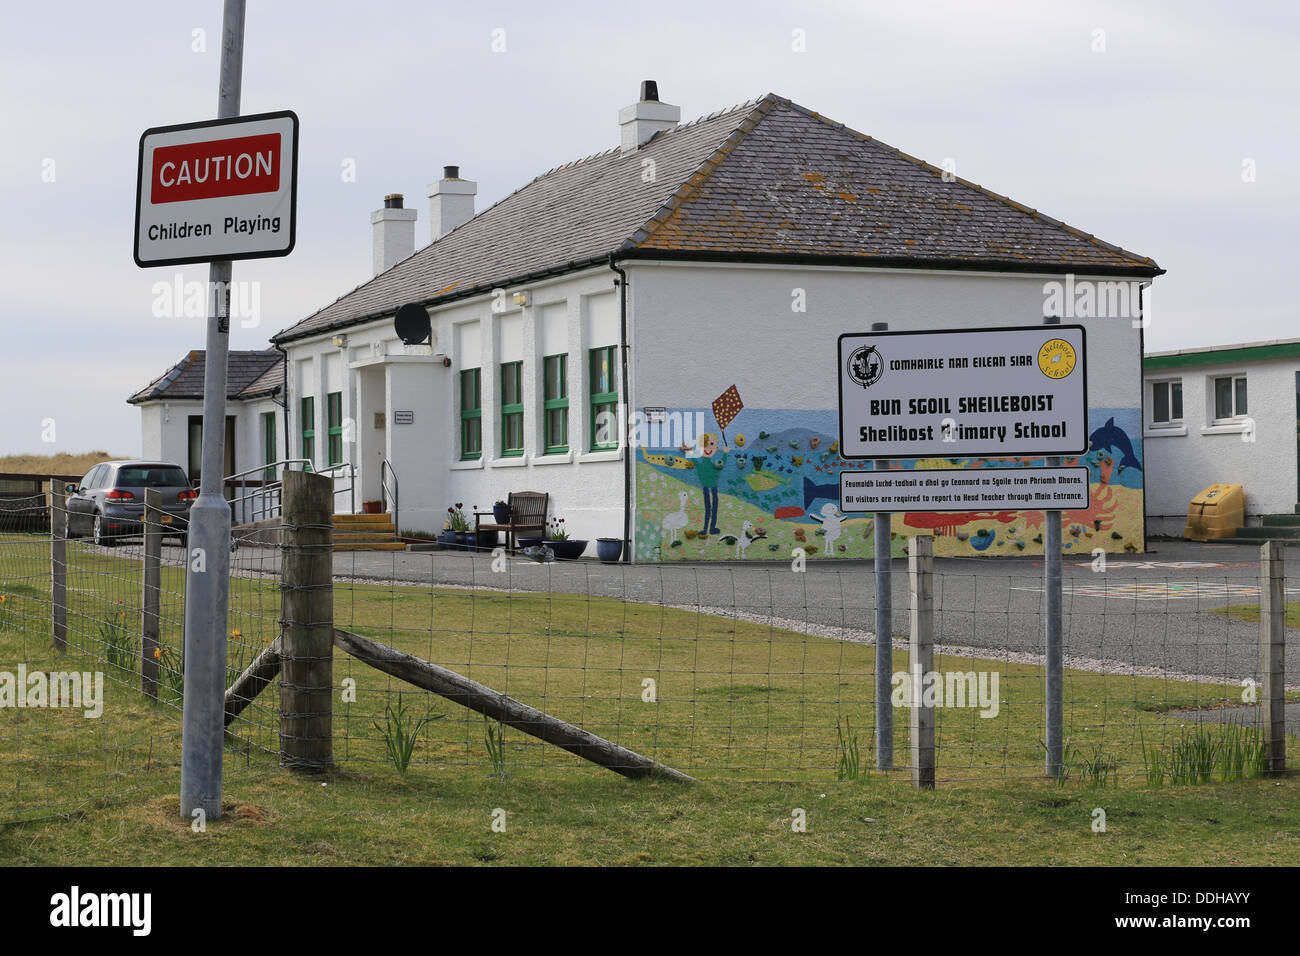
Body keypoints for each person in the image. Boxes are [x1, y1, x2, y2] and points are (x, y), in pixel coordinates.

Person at [694, 432, 728, 537]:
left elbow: (720, 465)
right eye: (709, 444)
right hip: (707, 487)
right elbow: (695, 461)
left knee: (714, 507)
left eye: (713, 444)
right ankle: (705, 529)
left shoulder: (713, 464)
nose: (711, 447)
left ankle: (711, 528)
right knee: (708, 507)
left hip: (713, 487)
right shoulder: (703, 463)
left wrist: (725, 453)